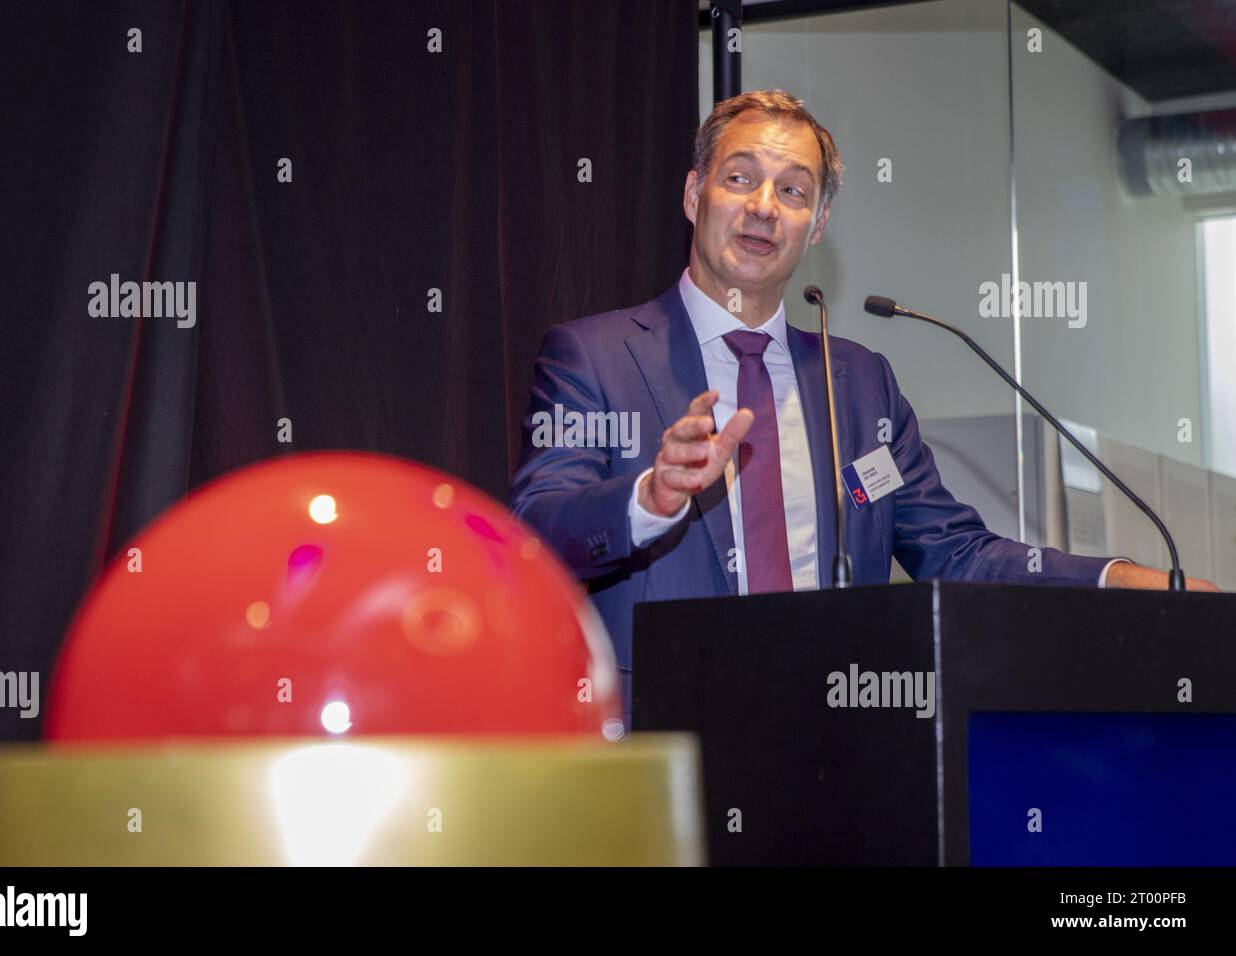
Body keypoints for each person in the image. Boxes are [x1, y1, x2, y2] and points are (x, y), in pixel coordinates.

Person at [508, 89, 1218, 728]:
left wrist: (1112, 578)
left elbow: (958, 554)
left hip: (832, 745)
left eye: (793, 190)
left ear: (816, 225)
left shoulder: (858, 380)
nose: (763, 206)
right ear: (695, 196)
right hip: (658, 744)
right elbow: (540, 526)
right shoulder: (595, 356)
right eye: (739, 178)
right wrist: (649, 497)